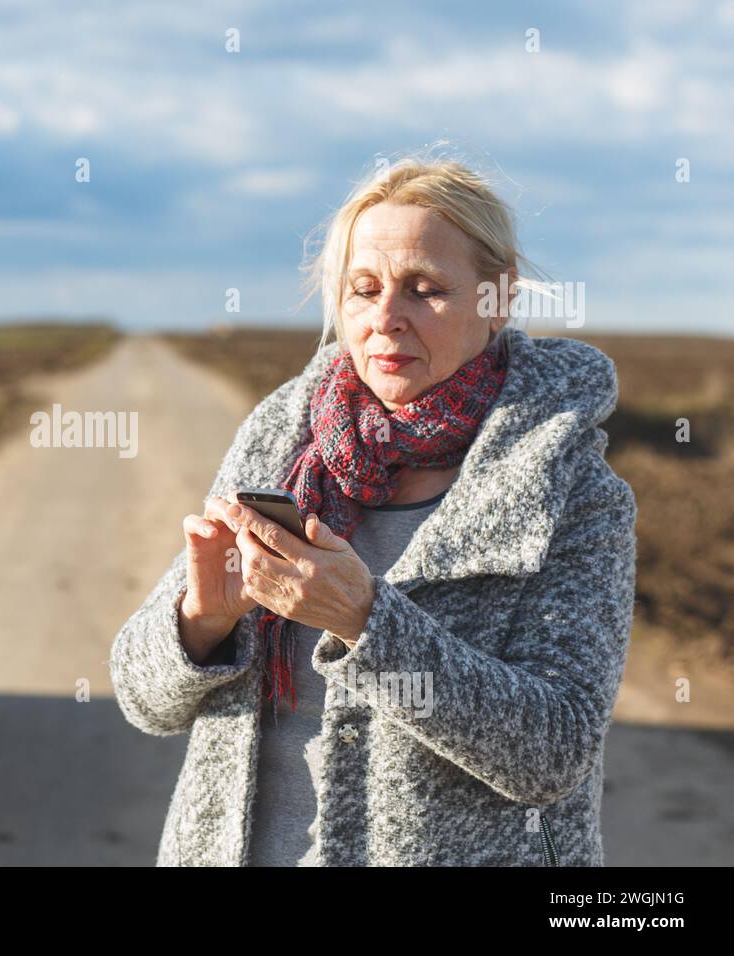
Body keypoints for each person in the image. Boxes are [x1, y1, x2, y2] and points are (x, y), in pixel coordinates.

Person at [108, 157, 637, 866]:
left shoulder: (571, 489)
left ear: (498, 298)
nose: (387, 318)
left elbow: (555, 753)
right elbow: (143, 699)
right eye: (363, 290)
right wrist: (201, 623)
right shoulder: (282, 439)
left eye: (425, 290)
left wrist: (366, 621)